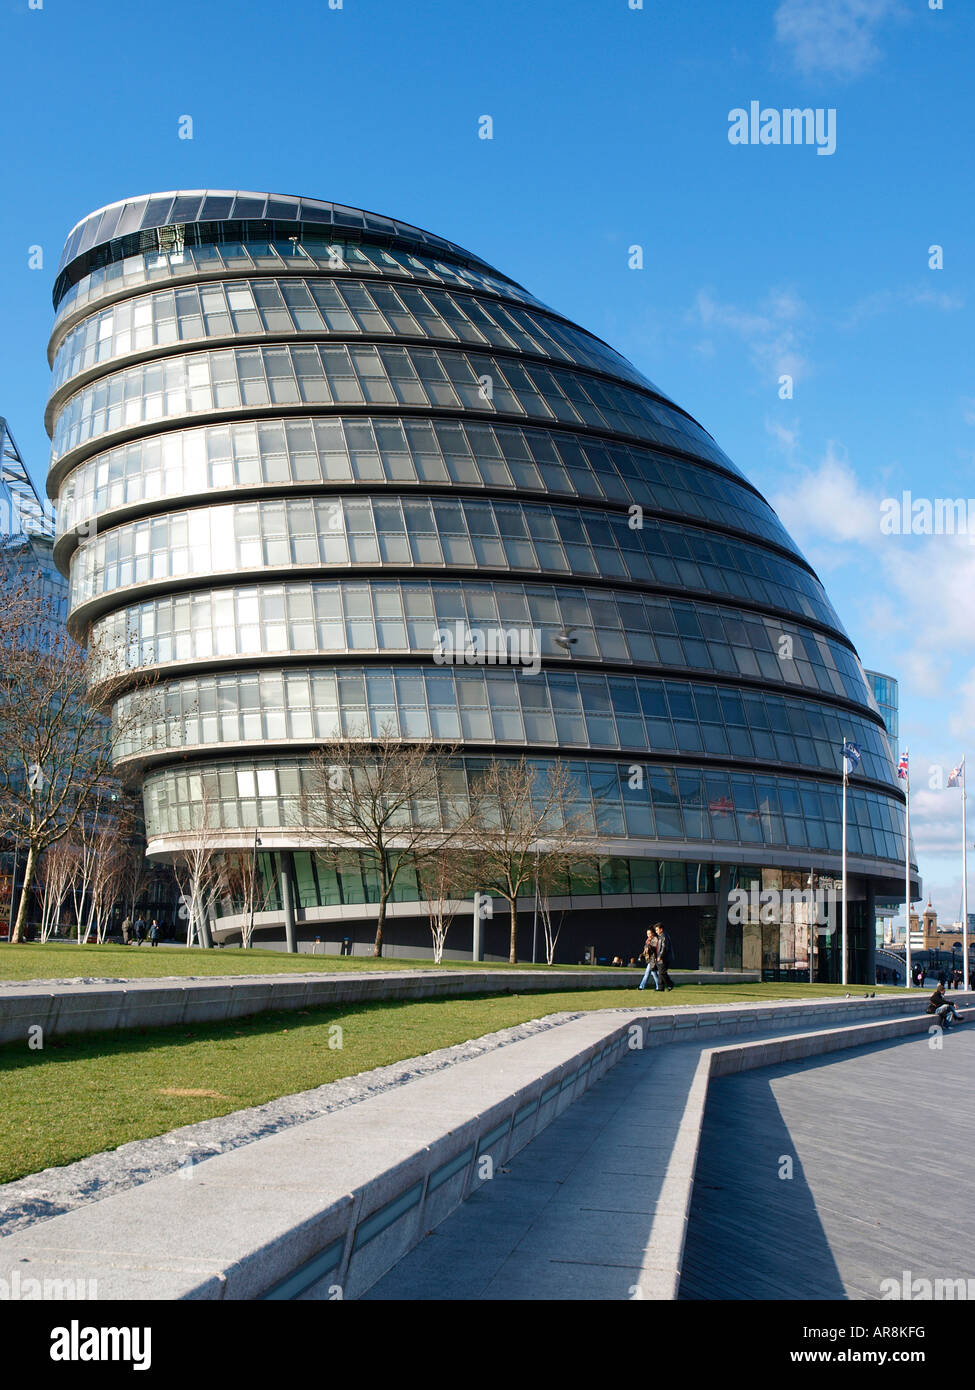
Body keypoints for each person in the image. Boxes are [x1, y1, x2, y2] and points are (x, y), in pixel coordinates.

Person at [654, 924, 675, 992]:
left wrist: (660, 956)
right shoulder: (661, 936)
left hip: (665, 958)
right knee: (660, 972)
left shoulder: (664, 936)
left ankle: (670, 984)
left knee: (662, 972)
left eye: (657, 930)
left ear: (661, 929)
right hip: (662, 957)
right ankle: (660, 988)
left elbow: (664, 947)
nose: (656, 931)